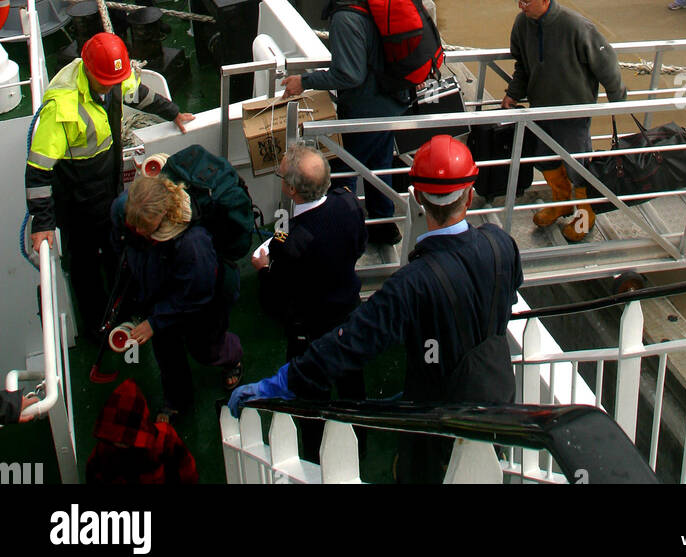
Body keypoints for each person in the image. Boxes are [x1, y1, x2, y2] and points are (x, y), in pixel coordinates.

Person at [229, 136, 522, 483]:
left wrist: (277, 383)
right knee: (355, 389)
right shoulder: (500, 242)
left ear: (416, 198)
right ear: (470, 195)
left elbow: (348, 342)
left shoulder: (412, 283)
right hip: (496, 394)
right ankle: (361, 438)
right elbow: (504, 297)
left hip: (432, 415)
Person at [25, 32, 193, 340]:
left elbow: (137, 93)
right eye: (106, 82)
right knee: (85, 265)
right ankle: (94, 325)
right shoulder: (61, 108)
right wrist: (43, 222)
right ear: (88, 70)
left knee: (118, 249)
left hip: (109, 185)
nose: (112, 87)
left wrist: (173, 112)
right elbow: (38, 170)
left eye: (115, 81)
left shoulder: (113, 78)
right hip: (77, 198)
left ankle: (125, 309)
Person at [281, 0, 410, 246]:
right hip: (389, 101)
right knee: (378, 166)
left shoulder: (345, 18)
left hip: (368, 107)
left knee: (340, 172)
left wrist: (305, 81)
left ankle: (343, 231)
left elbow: (350, 74)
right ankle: (384, 225)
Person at [501, 0, 626, 242]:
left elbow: (606, 65)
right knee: (544, 160)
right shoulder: (522, 25)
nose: (521, 7)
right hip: (541, 109)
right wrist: (513, 93)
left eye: (526, 1)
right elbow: (522, 65)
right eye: (518, 1)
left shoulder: (577, 26)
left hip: (574, 113)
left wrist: (617, 98)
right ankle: (561, 202)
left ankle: (585, 214)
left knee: (579, 167)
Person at [112, 170, 243, 422]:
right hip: (157, 292)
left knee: (206, 349)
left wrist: (154, 322)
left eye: (146, 228)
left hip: (200, 302)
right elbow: (120, 241)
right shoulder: (124, 210)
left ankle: (232, 357)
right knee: (167, 354)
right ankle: (177, 401)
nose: (138, 232)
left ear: (164, 215)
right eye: (134, 225)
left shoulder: (193, 244)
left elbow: (197, 293)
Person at [254, 142, 367, 361]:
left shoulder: (290, 242)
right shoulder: (348, 202)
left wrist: (263, 269)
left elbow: (275, 296)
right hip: (349, 307)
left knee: (308, 379)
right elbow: (360, 246)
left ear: (291, 189)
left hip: (312, 322)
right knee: (351, 373)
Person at [86, 380, 198, 485]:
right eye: (115, 438)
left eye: (126, 439)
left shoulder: (165, 438)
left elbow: (186, 469)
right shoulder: (103, 450)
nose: (119, 443)